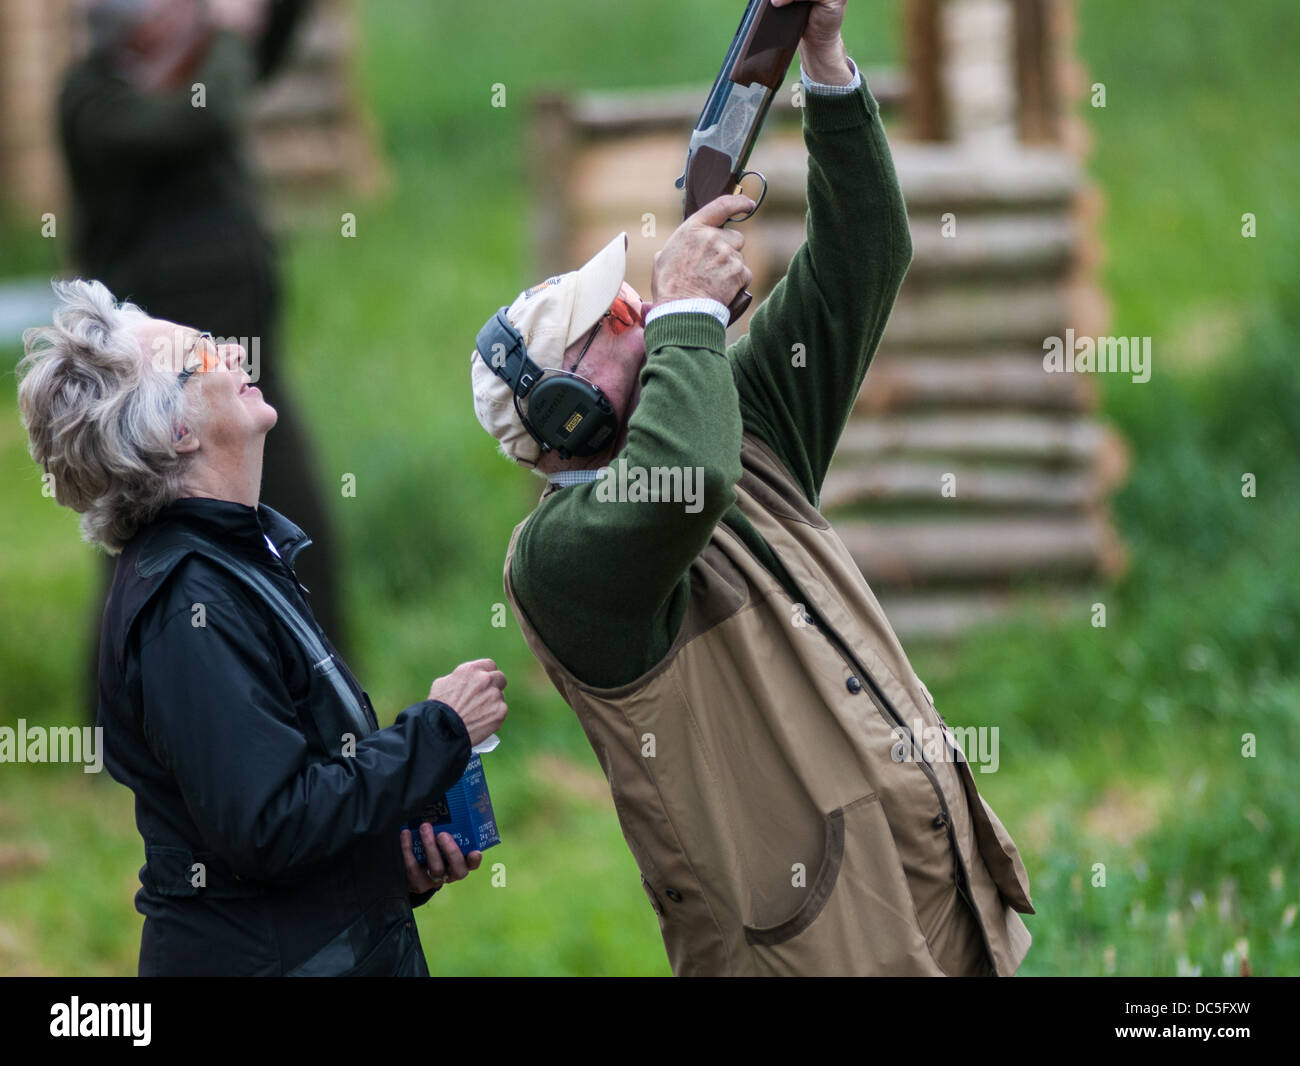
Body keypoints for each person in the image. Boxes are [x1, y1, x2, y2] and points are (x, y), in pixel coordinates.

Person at [469, 0, 1033, 976]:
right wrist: (688, 307)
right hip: (808, 953)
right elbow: (685, 482)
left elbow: (863, 260)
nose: (638, 306)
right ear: (564, 411)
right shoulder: (558, 565)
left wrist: (821, 62)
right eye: (609, 322)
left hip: (933, 904)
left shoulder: (723, 410)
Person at [16, 279, 508, 976]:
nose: (230, 351)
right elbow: (271, 826)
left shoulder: (233, 558)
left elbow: (272, 821)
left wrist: (387, 875)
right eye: (200, 355)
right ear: (176, 431)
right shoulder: (188, 606)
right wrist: (439, 730)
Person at [58, 0, 344, 719]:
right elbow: (205, 115)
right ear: (140, 24)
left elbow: (253, 56)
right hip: (162, 383)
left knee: (298, 524)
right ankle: (120, 719)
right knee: (147, 540)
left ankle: (322, 698)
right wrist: (225, 29)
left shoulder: (189, 70)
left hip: (241, 367)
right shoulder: (94, 100)